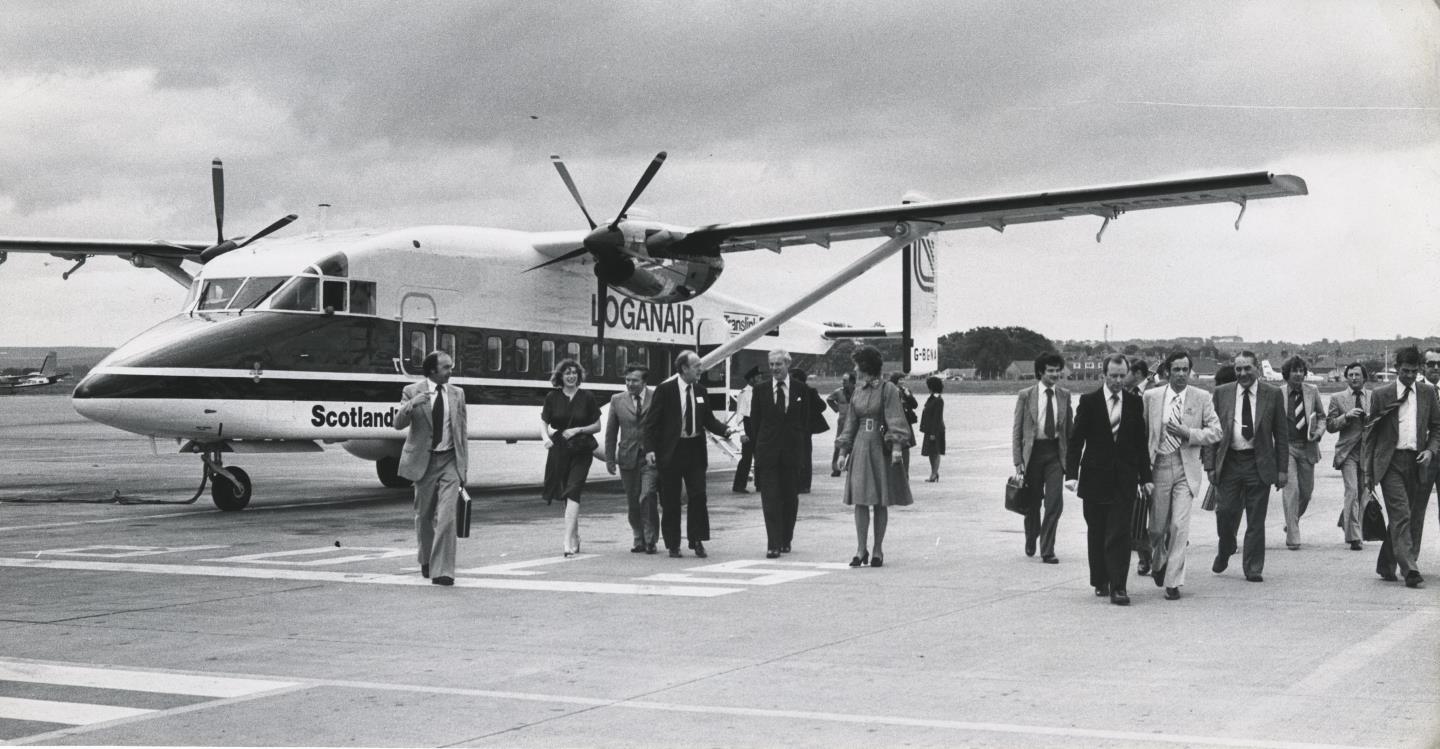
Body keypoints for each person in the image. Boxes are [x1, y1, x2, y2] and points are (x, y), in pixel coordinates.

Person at [1066, 355, 1152, 606]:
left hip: (1123, 479)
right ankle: (1100, 579)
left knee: (1120, 532)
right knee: (1097, 531)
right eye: (1113, 376)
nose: (1117, 380)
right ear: (1103, 375)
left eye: (1121, 375)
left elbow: (1140, 445)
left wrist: (1145, 477)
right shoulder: (1089, 402)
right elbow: (1075, 442)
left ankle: (1119, 586)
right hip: (1094, 478)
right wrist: (1071, 475)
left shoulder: (1135, 403)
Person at [1202, 351, 1288, 583]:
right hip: (1229, 462)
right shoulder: (1222, 393)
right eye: (1238, 369)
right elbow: (1211, 431)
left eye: (1247, 368)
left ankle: (1253, 567)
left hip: (1259, 464)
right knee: (1225, 512)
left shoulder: (1273, 394)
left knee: (1256, 519)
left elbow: (1281, 434)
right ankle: (1226, 546)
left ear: (1257, 368)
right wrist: (1210, 465)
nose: (1242, 374)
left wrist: (1282, 470)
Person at [642, 350, 736, 558]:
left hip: (694, 450)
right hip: (672, 451)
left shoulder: (701, 390)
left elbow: (708, 420)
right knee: (671, 500)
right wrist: (649, 449)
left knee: (699, 496)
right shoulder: (665, 390)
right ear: (684, 368)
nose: (701, 369)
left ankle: (697, 539)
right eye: (697, 366)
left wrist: (725, 430)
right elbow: (651, 424)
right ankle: (673, 543)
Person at [1142, 352, 1221, 600]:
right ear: (1167, 371)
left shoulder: (1202, 397)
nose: (1181, 374)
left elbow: (1216, 432)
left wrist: (1189, 433)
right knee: (1156, 528)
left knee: (1179, 525)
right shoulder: (1151, 397)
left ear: (1190, 371)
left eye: (1185, 369)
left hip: (1186, 467)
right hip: (1159, 466)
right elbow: (1142, 433)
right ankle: (1158, 560)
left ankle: (1173, 581)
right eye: (1176, 369)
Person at [1362, 346, 1440, 589]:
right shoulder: (1382, 394)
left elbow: (1437, 428)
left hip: (1417, 462)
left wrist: (1430, 450)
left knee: (1408, 516)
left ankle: (1386, 565)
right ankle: (1410, 569)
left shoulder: (1427, 393)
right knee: (1401, 514)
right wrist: (1368, 471)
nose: (1409, 376)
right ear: (1396, 368)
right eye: (1405, 371)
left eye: (1414, 372)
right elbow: (1370, 433)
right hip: (1390, 462)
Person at [393, 350, 469, 587]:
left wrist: (463, 468)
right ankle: (426, 559)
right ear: (432, 370)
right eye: (446, 367)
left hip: (449, 461)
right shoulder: (411, 391)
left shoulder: (458, 394)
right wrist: (411, 405)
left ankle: (443, 571)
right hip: (423, 463)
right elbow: (398, 424)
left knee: (447, 517)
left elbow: (462, 432)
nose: (450, 371)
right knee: (424, 516)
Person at [835, 345, 912, 568]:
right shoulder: (857, 392)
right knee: (860, 500)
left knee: (879, 500)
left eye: (857, 364)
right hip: (860, 446)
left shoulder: (887, 389)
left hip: (880, 448)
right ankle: (861, 549)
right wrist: (842, 451)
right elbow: (850, 423)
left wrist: (897, 447)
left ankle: (878, 549)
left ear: (865, 365)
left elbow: (896, 419)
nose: (854, 368)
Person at [748, 349, 812, 558]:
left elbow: (804, 423)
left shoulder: (802, 390)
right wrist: (761, 447)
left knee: (789, 498)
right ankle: (773, 543)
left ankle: (786, 538)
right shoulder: (760, 390)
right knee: (770, 499)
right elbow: (755, 423)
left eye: (778, 364)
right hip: (768, 453)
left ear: (787, 365)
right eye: (772, 364)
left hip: (791, 453)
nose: (774, 368)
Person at [1012, 352, 1072, 563]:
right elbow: (1018, 429)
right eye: (1051, 371)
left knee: (1054, 502)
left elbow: (1068, 431)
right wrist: (1018, 461)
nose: (1055, 374)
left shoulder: (1065, 395)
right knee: (1033, 502)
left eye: (1058, 370)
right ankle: (1031, 535)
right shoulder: (1026, 395)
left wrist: (1071, 463)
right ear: (1040, 372)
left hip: (1055, 453)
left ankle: (1047, 549)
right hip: (1033, 454)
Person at [541, 358, 602, 557]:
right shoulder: (552, 397)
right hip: (560, 448)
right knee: (565, 491)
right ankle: (575, 535)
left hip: (582, 448)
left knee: (573, 489)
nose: (571, 376)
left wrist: (577, 429)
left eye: (574, 373)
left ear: (579, 376)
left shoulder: (587, 397)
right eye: (567, 373)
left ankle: (567, 540)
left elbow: (597, 426)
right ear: (561, 376)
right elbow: (544, 422)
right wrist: (545, 439)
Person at [606, 363, 659, 554]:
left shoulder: (657, 397)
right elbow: (611, 431)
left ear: (644, 381)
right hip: (627, 456)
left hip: (650, 457)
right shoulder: (617, 400)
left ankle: (650, 539)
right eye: (627, 380)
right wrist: (610, 458)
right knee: (632, 501)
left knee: (647, 496)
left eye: (634, 380)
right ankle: (638, 537)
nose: (630, 384)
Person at [1279, 356, 1326, 550]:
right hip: (1286, 448)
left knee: (1306, 493)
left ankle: (1291, 522)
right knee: (1292, 491)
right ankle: (1293, 536)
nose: (1298, 374)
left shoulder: (1312, 391)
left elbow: (1322, 417)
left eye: (1301, 371)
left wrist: (1319, 431)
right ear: (1287, 374)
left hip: (1307, 447)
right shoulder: (1277, 393)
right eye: (1294, 371)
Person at [1326, 362, 1370, 551]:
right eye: (1350, 375)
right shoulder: (1338, 398)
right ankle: (1354, 537)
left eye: (1357, 375)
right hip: (1348, 452)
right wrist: (1346, 417)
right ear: (1346, 377)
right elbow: (1329, 426)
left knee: (1363, 493)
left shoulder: (1374, 397)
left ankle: (1353, 527)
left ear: (1364, 377)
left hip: (1367, 452)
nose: (1353, 378)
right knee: (1351, 491)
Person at [1125, 355, 1154, 576]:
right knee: (1138, 512)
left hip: (1158, 460)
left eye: (1125, 372)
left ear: (1136, 373)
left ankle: (1162, 549)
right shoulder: (1125, 395)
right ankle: (1145, 557)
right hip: (1133, 461)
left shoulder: (1157, 390)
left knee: (1160, 514)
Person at [1415, 348, 1440, 547]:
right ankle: (1411, 560)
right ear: (1423, 366)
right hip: (1424, 458)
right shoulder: (1415, 390)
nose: (1436, 368)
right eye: (1431, 364)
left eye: (1439, 363)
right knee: (1416, 509)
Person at [792, 368, 828, 493]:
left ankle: (801, 484)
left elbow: (822, 406)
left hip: (801, 429)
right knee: (805, 456)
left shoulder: (807, 391)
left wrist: (809, 413)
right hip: (804, 429)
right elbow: (822, 406)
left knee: (802, 456)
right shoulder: (810, 391)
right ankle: (804, 484)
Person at [731, 365, 763, 494]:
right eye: (758, 377)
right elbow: (740, 416)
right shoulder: (744, 394)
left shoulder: (759, 391)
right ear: (752, 379)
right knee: (747, 459)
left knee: (760, 457)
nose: (760, 379)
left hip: (758, 426)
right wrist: (742, 433)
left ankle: (760, 484)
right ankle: (739, 485)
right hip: (748, 426)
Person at [827, 372, 857, 477]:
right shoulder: (838, 392)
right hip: (842, 422)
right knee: (839, 444)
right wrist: (837, 409)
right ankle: (836, 468)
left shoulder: (858, 392)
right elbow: (829, 399)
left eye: (845, 381)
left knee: (855, 444)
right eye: (842, 381)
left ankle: (850, 466)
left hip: (855, 422)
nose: (843, 383)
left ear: (852, 382)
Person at [889, 372, 919, 474]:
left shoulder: (906, 391)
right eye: (900, 379)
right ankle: (894, 471)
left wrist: (908, 395)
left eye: (903, 379)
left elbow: (915, 405)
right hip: (894, 422)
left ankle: (905, 472)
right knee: (892, 445)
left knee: (906, 447)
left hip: (906, 422)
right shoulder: (890, 391)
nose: (902, 381)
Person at [919, 375, 946, 482]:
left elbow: (937, 418)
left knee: (936, 451)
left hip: (936, 430)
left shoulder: (938, 400)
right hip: (929, 429)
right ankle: (934, 472)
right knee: (930, 452)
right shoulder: (931, 398)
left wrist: (933, 433)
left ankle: (934, 473)